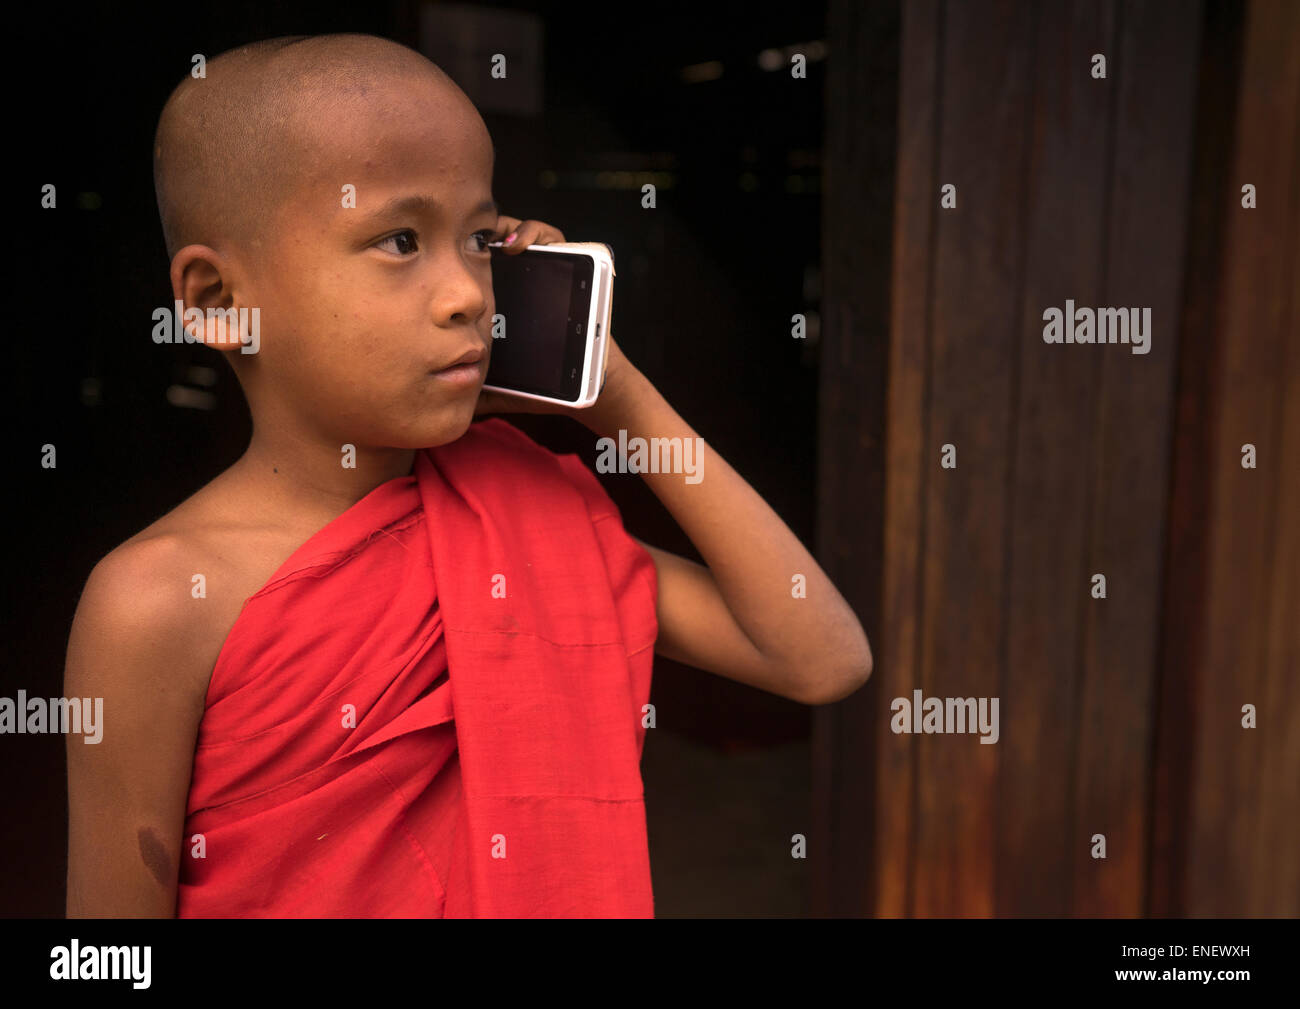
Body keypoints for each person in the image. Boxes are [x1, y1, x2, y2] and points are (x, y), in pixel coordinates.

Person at [63, 32, 872, 918]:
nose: (469, 294)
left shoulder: (521, 508)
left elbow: (819, 657)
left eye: (482, 239)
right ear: (221, 301)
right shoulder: (154, 600)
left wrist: (617, 397)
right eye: (400, 239)